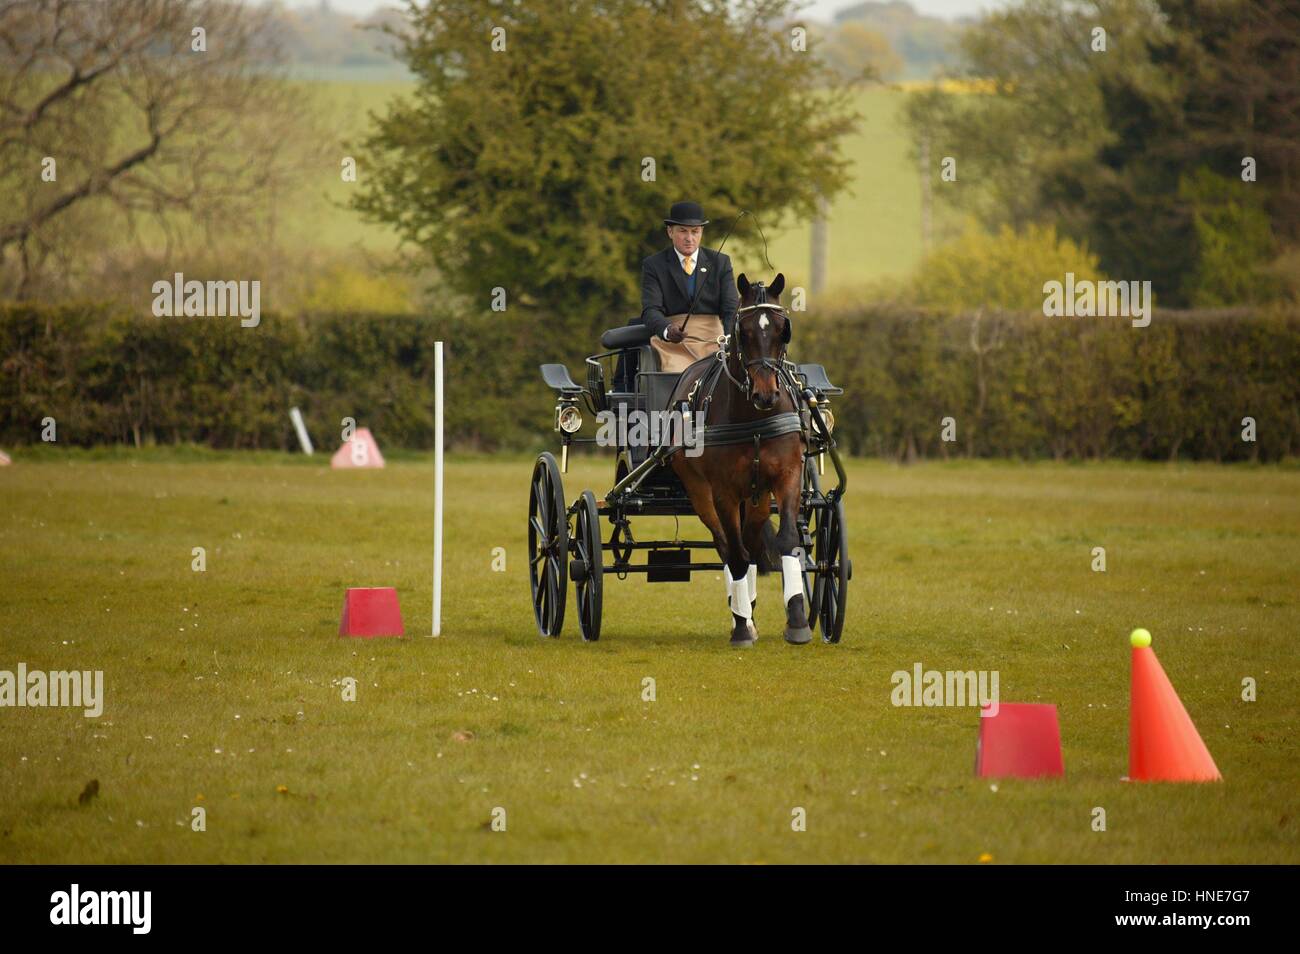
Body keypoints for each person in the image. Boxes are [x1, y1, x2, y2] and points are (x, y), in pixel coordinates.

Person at [639, 201, 738, 374]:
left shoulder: (720, 262)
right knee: (676, 377)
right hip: (673, 344)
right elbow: (651, 310)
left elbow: (731, 309)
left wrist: (729, 340)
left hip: (714, 341)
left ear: (701, 232)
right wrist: (667, 330)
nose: (689, 238)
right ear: (670, 232)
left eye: (695, 232)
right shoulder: (654, 265)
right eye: (683, 231)